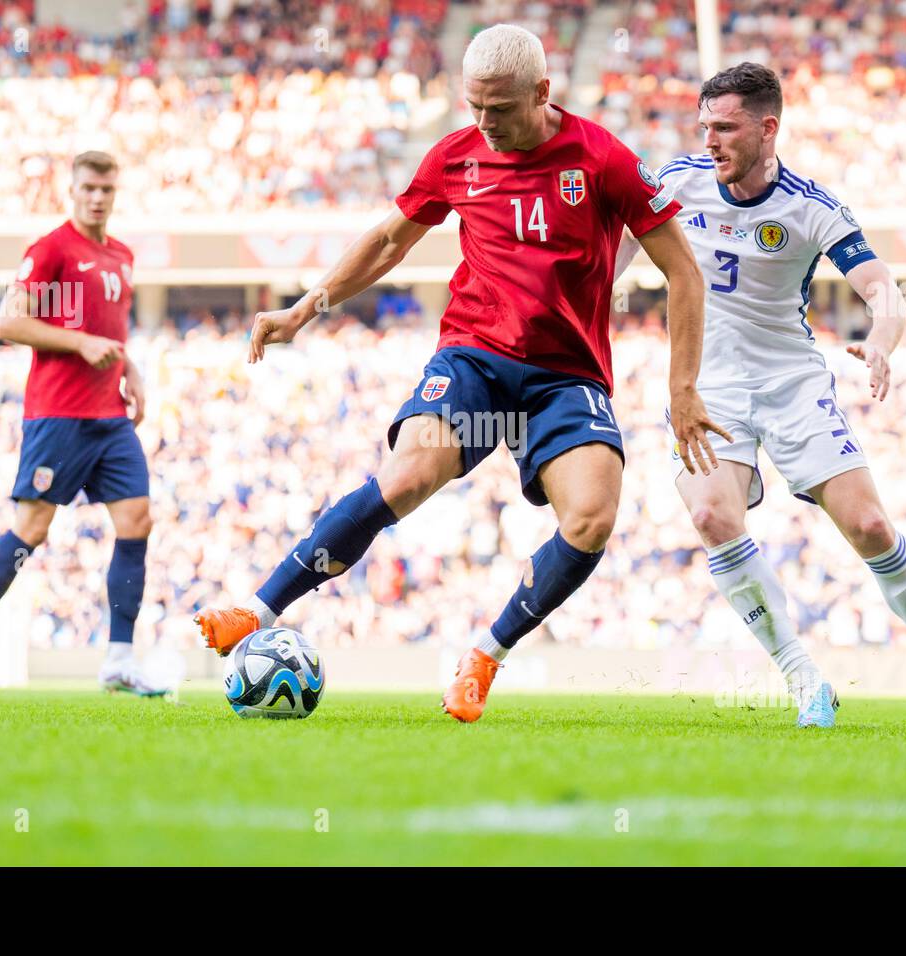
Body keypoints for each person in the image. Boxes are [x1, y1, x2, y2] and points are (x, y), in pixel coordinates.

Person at [194, 24, 727, 722]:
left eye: (500, 109)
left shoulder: (603, 159)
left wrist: (681, 388)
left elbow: (684, 272)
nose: (485, 124)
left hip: (565, 378)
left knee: (592, 518)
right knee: (410, 474)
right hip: (474, 357)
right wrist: (304, 308)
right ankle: (258, 609)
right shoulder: (456, 156)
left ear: (542, 92)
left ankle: (485, 656)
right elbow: (389, 241)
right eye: (474, 107)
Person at [616, 62, 906, 729]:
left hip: (791, 383)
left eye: (725, 127)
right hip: (706, 384)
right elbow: (615, 264)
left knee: (869, 526)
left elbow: (883, 289)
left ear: (768, 127)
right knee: (713, 519)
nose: (709, 140)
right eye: (704, 126)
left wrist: (883, 340)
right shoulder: (676, 182)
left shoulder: (812, 207)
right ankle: (806, 682)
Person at [0, 151, 165, 700]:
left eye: (106, 189)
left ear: (116, 191)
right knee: (31, 531)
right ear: (72, 189)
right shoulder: (53, 249)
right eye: (88, 188)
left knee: (137, 519)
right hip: (59, 415)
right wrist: (80, 343)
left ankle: (119, 659)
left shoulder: (123, 257)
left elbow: (111, 331)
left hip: (109, 416)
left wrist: (129, 367)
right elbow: (9, 320)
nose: (98, 198)